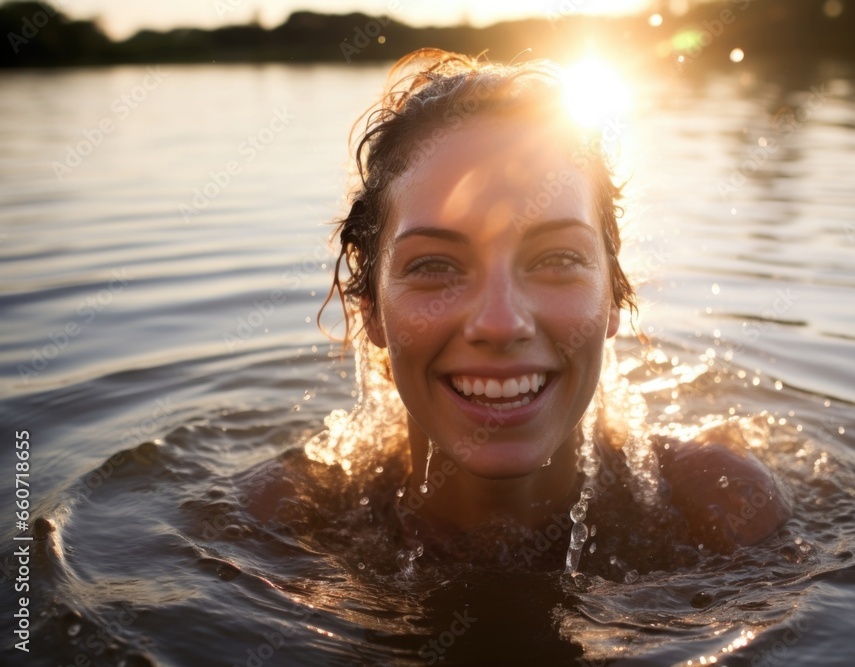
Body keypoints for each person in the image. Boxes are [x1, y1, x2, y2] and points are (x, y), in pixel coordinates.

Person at [318, 48, 789, 574]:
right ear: (372, 312)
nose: (500, 323)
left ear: (613, 295)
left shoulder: (724, 511)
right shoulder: (287, 533)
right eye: (434, 265)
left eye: (558, 258)